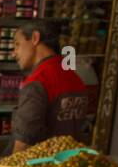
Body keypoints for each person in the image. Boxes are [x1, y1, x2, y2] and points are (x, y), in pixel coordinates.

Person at [10, 19, 93, 152]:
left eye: (17, 44)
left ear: (35, 38)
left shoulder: (38, 81)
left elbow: (24, 143)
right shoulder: (74, 78)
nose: (14, 53)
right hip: (69, 165)